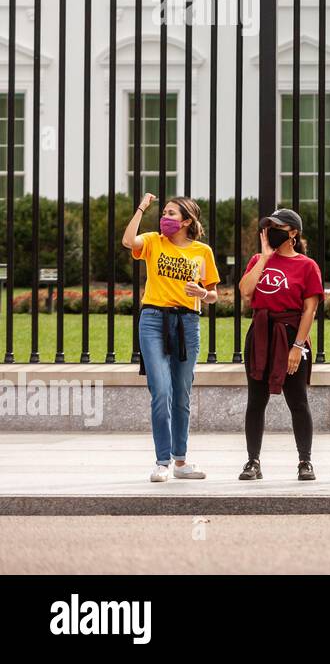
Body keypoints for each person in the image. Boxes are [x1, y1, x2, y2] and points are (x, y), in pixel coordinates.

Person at [121, 194, 221, 482]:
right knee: (161, 390)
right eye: (164, 212)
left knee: (181, 394)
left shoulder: (202, 251)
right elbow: (128, 241)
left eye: (171, 213)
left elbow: (214, 294)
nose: (165, 217)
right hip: (153, 320)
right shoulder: (154, 241)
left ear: (186, 221)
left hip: (187, 323)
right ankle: (162, 461)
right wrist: (142, 207)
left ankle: (180, 461)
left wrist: (203, 293)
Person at [237, 208, 323, 481]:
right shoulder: (258, 260)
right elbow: (245, 291)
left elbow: (309, 310)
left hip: (290, 334)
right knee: (256, 401)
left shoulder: (307, 266)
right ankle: (253, 461)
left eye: (278, 227)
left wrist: (297, 346)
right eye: (269, 227)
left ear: (293, 232)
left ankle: (305, 461)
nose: (271, 232)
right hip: (261, 334)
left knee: (298, 401)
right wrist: (264, 258)